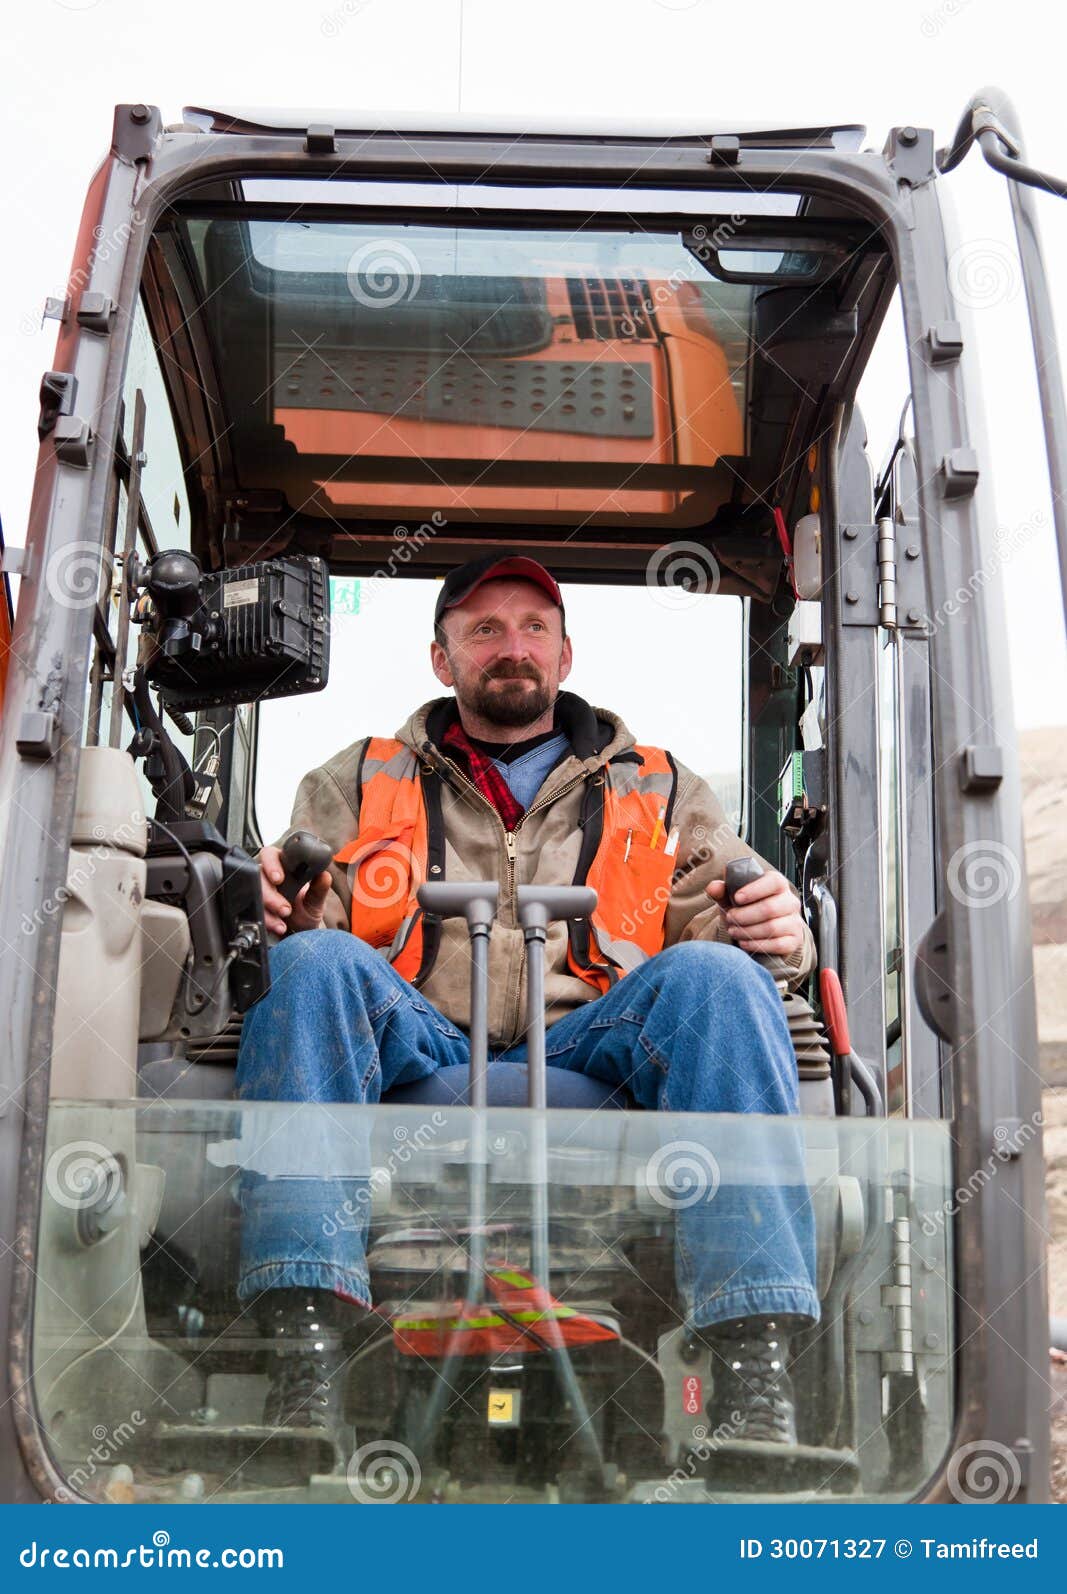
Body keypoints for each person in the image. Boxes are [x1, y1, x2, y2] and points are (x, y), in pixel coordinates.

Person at [237, 553, 819, 1449]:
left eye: (533, 627)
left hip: (597, 1040)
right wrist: (294, 913)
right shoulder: (358, 778)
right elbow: (311, 914)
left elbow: (734, 916)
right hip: (416, 1037)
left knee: (719, 978)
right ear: (442, 661)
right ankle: (304, 1357)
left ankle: (753, 1373)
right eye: (483, 630)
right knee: (310, 967)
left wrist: (782, 930)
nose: (512, 647)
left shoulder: (659, 788)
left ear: (565, 653)